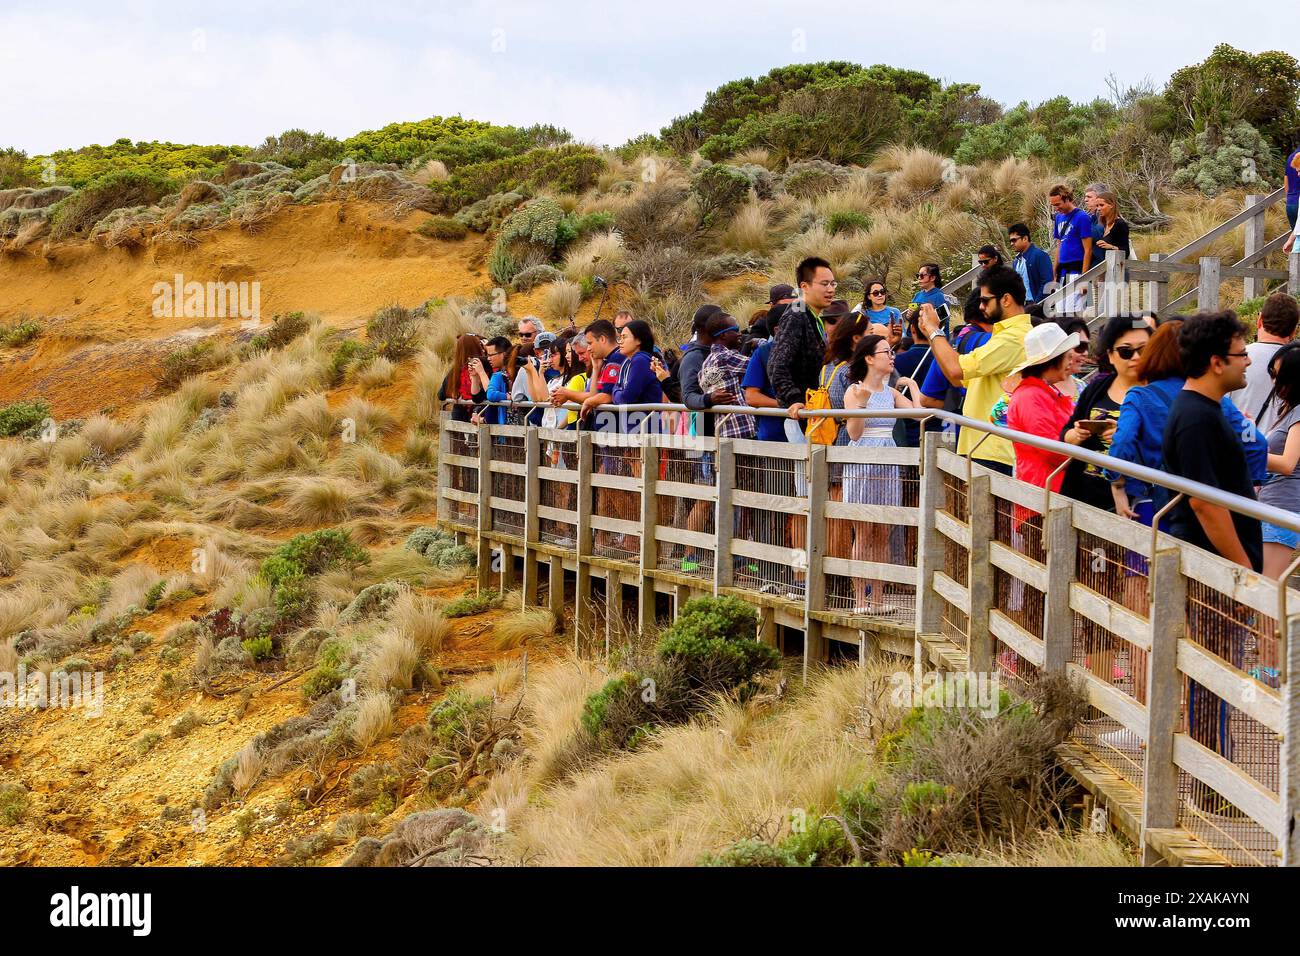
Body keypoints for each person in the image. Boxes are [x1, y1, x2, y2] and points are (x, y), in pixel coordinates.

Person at [1108, 320, 1267, 525]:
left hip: (1157, 505)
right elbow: (1256, 443)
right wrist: (1247, 492)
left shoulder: (1138, 397)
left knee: (1148, 556)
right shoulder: (1212, 396)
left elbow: (1122, 443)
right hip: (1211, 507)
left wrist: (1118, 485)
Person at [1163, 311, 1262, 572]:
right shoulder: (1195, 418)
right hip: (1213, 570)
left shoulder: (1205, 409)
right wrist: (1242, 567)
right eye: (1242, 354)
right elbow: (1204, 502)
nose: (1249, 361)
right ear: (1217, 363)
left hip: (1219, 564)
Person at [918, 266, 1032, 475]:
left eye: (985, 300)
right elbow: (957, 380)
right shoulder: (1004, 336)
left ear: (1006, 299)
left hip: (994, 451)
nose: (980, 306)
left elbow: (955, 370)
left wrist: (935, 331)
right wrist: (930, 334)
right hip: (982, 447)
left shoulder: (1015, 337)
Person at [841, 334, 920, 614]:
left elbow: (919, 415)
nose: (892, 356)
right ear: (869, 358)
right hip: (863, 460)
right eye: (886, 352)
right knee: (863, 532)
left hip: (888, 458)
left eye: (891, 351)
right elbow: (854, 433)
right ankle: (860, 600)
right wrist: (861, 404)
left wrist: (911, 385)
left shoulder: (891, 392)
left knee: (883, 531)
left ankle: (878, 599)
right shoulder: (854, 390)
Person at [1058, 316, 1152, 512]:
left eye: (1143, 350)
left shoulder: (1160, 394)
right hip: (1084, 495)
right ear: (1110, 355)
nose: (1136, 357)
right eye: (1126, 352)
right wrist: (1076, 435)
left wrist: (1126, 438)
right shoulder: (1097, 388)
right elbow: (1066, 432)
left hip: (1138, 501)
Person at [1006, 323, 1078, 499]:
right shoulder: (1031, 396)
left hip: (1048, 491)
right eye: (1067, 357)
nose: (1071, 362)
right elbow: (1051, 449)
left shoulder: (1043, 392)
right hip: (1043, 496)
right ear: (1053, 360)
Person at [770, 257, 837, 422]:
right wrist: (794, 400)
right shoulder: (796, 314)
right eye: (824, 284)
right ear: (804, 287)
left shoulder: (812, 316)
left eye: (833, 284)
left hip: (815, 411)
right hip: (803, 415)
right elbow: (777, 366)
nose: (830, 289)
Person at [1257, 345, 1300, 579]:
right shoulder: (1289, 410)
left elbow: (1287, 463)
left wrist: (1247, 452)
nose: (1273, 382)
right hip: (1274, 506)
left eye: (1278, 375)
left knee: (1267, 592)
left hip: (1283, 508)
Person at [1228, 291, 1300, 430]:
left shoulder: (1234, 358)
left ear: (1259, 320)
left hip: (1243, 447)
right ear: (1294, 331)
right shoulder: (1296, 363)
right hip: (1284, 447)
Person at [697, 312, 753, 440]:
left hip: (724, 430)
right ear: (723, 335)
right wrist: (762, 344)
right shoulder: (726, 357)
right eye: (736, 330)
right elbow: (760, 366)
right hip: (742, 428)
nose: (740, 334)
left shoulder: (707, 362)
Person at [438, 333, 491, 423]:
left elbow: (441, 395)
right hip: (479, 417)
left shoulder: (455, 371)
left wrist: (455, 394)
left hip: (461, 418)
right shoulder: (487, 367)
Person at [1049, 184, 1094, 282]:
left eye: (1058, 204)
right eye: (1053, 206)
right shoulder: (1058, 217)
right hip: (1062, 269)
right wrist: (1054, 269)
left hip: (1077, 269)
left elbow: (1088, 249)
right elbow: (1059, 244)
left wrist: (1084, 278)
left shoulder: (1082, 217)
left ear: (1067, 199)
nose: (1056, 208)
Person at [1009, 223, 1054, 305]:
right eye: (1010, 241)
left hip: (1037, 305)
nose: (1011, 244)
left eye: (1014, 240)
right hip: (1023, 305)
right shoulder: (1016, 261)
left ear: (1025, 238)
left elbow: (1047, 282)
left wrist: (1037, 304)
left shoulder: (1040, 255)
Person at [477, 336, 515, 426]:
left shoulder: (498, 375)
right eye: (487, 355)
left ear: (504, 354)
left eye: (491, 355)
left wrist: (506, 396)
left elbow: (490, 394)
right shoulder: (499, 374)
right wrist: (507, 396)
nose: (488, 358)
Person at [1093, 191, 1131, 260]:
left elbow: (1126, 251)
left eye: (1101, 205)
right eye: (1097, 206)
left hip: (1116, 267)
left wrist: (1111, 247)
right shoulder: (1100, 225)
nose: (1098, 209)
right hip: (1101, 266)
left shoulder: (1120, 224)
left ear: (1111, 205)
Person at [1286, 148, 1300, 230]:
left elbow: (1286, 179)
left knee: (1296, 235)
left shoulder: (1291, 157)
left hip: (1291, 202)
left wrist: (1288, 198)